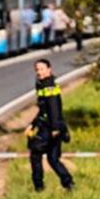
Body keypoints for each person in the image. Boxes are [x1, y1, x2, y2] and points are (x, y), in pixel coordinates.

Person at [27, 58, 74, 192]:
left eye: (42, 69)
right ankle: (69, 184)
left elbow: (53, 108)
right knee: (53, 159)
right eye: (37, 70)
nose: (39, 72)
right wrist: (32, 125)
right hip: (55, 126)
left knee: (35, 154)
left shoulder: (49, 86)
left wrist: (54, 129)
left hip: (50, 128)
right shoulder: (43, 84)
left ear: (49, 69)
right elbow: (43, 110)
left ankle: (39, 187)